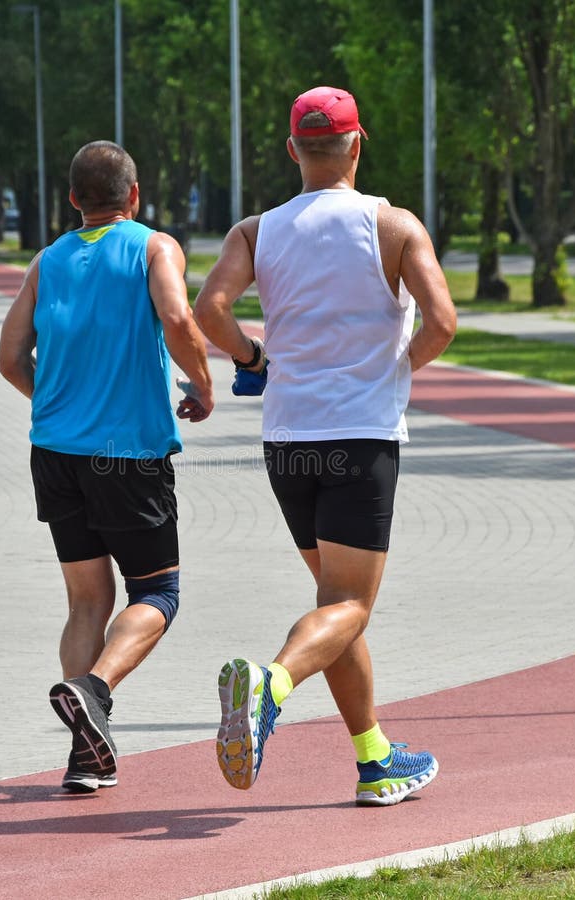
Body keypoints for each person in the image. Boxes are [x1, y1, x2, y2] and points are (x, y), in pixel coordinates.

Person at [194, 86, 456, 805]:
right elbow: (440, 321)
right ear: (356, 143)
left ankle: (374, 761)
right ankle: (271, 684)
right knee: (349, 607)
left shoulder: (255, 231)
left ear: (292, 150)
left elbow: (207, 310)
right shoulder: (393, 225)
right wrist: (393, 368)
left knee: (332, 603)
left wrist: (251, 359)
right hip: (360, 437)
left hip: (288, 443)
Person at [0, 140, 214, 793]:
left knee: (87, 599)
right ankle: (94, 689)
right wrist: (201, 383)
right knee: (158, 593)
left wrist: (61, 404)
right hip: (127, 456)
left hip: (54, 453)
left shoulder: (48, 260)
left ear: (73, 200)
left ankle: (86, 757)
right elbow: (176, 315)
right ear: (135, 195)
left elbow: (10, 358)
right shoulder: (154, 247)